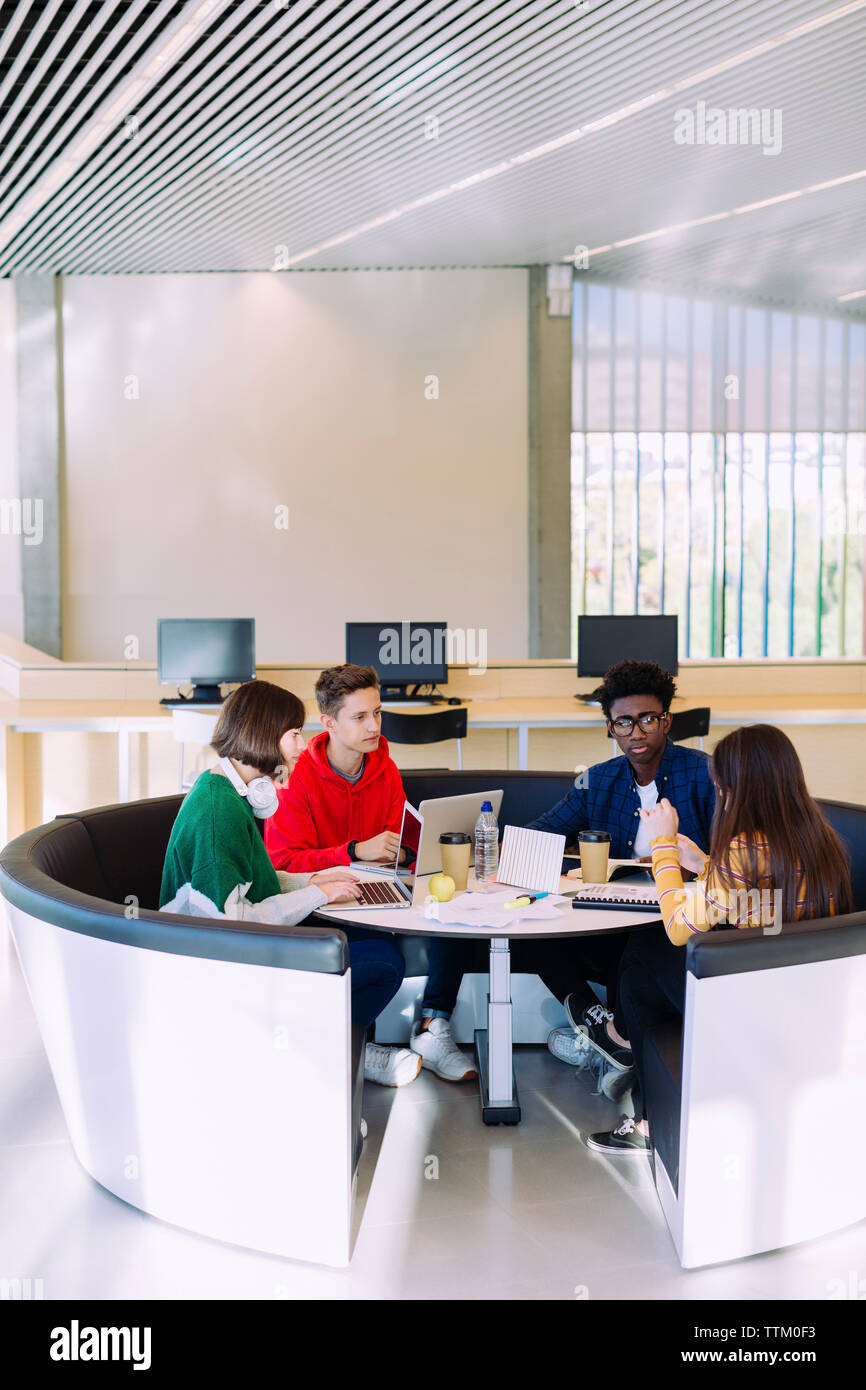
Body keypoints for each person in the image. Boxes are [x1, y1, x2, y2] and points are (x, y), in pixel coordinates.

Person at [584, 724, 854, 1155]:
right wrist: (705, 862)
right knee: (647, 967)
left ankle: (644, 1109)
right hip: (801, 1000)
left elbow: (677, 926)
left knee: (643, 954)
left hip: (749, 1007)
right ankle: (629, 1057)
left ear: (738, 787)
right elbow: (762, 898)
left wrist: (664, 849)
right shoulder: (820, 840)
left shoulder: (743, 850)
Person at [160, 679, 420, 1088]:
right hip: (223, 965)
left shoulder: (228, 792)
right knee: (386, 965)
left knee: (381, 951)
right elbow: (236, 920)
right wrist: (318, 892)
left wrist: (314, 878)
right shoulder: (217, 811)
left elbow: (257, 880)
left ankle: (337, 1051)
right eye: (294, 734)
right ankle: (331, 1056)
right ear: (266, 734)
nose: (301, 746)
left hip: (241, 947)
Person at [264, 664, 478, 1084]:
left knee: (452, 904)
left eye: (377, 712)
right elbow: (284, 863)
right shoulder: (296, 776)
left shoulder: (384, 766)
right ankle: (356, 1045)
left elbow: (403, 830)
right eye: (359, 717)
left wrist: (413, 848)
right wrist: (352, 851)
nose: (373, 725)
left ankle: (433, 1027)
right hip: (328, 903)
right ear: (328, 723)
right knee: (384, 954)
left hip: (383, 890)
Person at [526, 659, 717, 1070]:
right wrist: (494, 843)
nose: (637, 733)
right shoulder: (597, 780)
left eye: (648, 719)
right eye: (623, 723)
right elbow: (542, 832)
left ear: (667, 720)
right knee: (536, 936)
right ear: (610, 728)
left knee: (635, 946)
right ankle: (605, 1030)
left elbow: (729, 860)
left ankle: (613, 1041)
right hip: (613, 913)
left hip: (675, 922)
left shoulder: (703, 774)